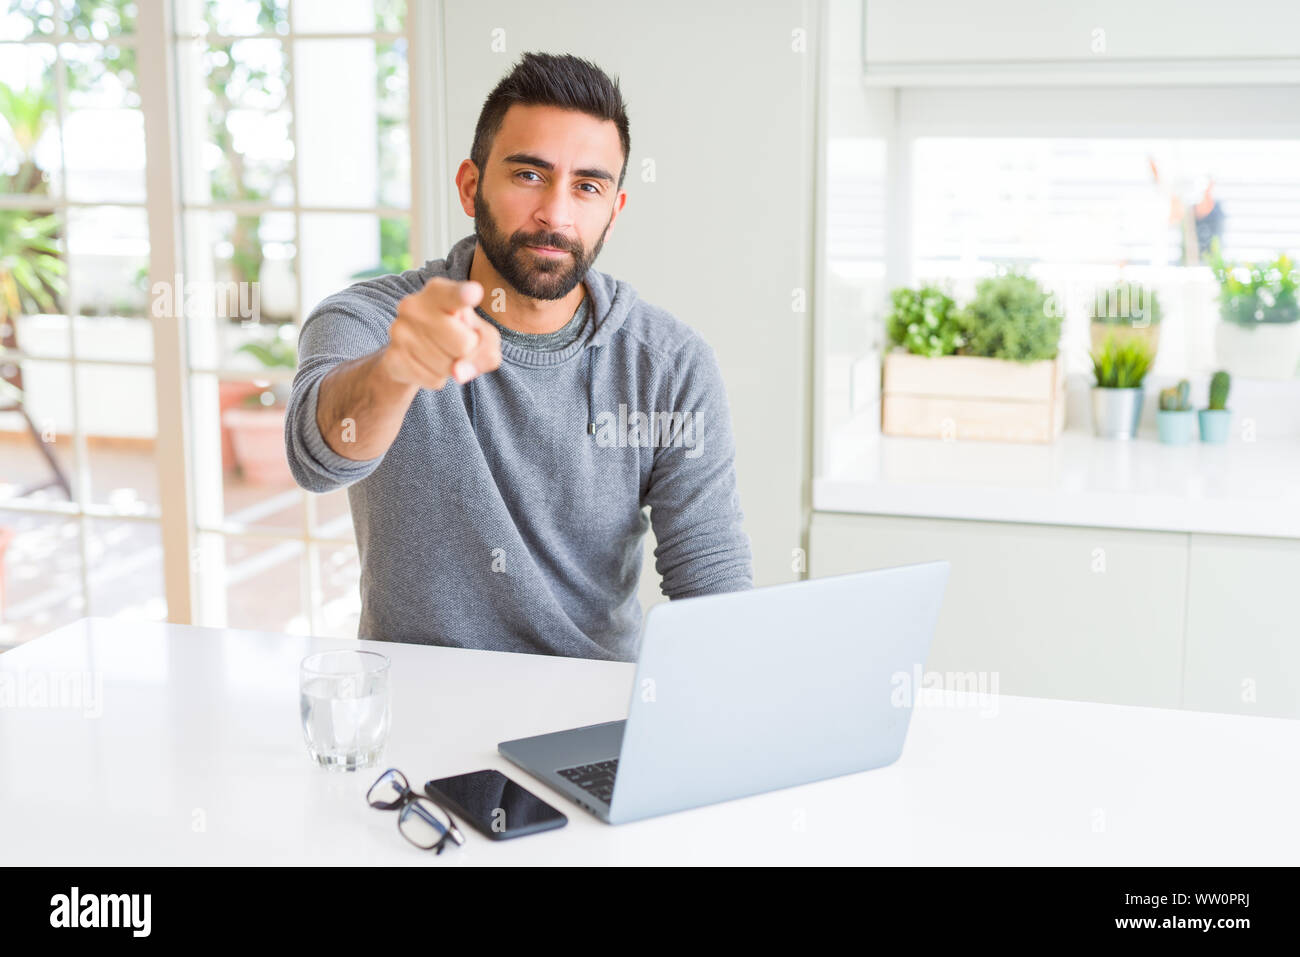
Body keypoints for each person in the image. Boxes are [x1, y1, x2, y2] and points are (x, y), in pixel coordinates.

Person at [284, 52, 753, 660]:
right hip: (420, 706)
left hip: (591, 710)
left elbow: (709, 579)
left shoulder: (669, 363)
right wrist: (396, 369)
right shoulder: (374, 321)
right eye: (529, 175)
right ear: (471, 186)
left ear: (614, 210)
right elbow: (317, 460)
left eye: (587, 187)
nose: (556, 215)